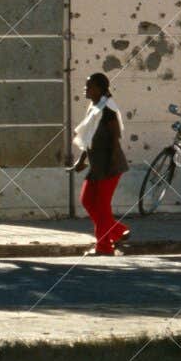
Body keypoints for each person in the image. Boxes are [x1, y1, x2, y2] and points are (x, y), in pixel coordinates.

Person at [70, 72, 130, 256]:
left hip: (109, 165)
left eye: (89, 86)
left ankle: (104, 247)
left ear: (99, 88)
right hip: (97, 165)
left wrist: (110, 165)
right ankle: (118, 231)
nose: (85, 89)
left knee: (103, 207)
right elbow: (89, 138)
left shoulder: (108, 109)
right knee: (87, 199)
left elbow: (114, 137)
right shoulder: (95, 106)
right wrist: (81, 161)